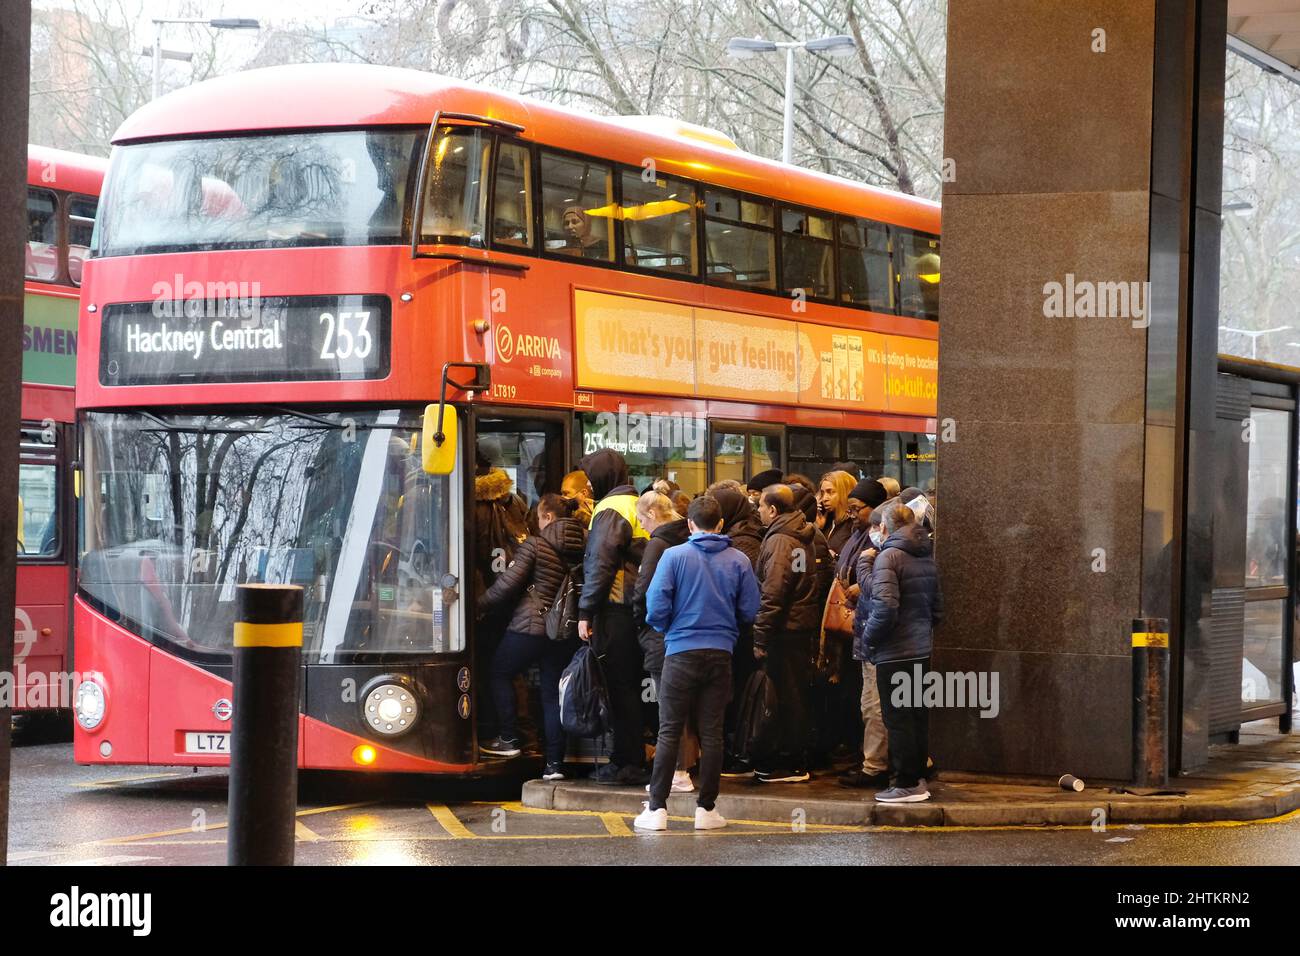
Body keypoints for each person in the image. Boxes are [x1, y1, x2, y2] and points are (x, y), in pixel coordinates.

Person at [634, 495, 760, 831]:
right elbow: (750, 609)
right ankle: (706, 810)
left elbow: (655, 605)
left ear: (689, 524)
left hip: (679, 651)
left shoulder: (673, 556)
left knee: (669, 730)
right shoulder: (739, 560)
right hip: (720, 653)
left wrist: (669, 629)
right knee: (712, 733)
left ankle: (657, 809)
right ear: (720, 525)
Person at [478, 494, 587, 780]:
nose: (536, 522)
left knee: (500, 671)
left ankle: (509, 738)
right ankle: (554, 765)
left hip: (530, 628)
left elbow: (506, 587)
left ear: (548, 517)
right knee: (552, 695)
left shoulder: (536, 545)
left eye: (539, 517)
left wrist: (476, 606)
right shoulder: (583, 545)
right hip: (563, 632)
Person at [576, 448, 651, 785]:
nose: (589, 486)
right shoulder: (636, 503)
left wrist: (586, 611)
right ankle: (631, 757)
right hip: (639, 607)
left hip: (616, 608)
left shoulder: (609, 509)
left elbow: (600, 564)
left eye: (592, 479)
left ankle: (626, 762)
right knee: (632, 687)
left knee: (619, 688)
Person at [860, 502, 943, 803]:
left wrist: (869, 640)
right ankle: (917, 776)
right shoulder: (926, 557)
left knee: (897, 719)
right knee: (917, 716)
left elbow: (885, 607)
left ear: (885, 528)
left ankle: (907, 783)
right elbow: (937, 610)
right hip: (921, 649)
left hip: (894, 651)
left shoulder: (888, 558)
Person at [751, 484, 824, 783]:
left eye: (760, 506)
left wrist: (760, 635)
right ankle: (793, 758)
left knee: (785, 697)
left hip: (785, 629)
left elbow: (774, 592)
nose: (757, 511)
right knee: (793, 695)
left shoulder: (781, 539)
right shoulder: (800, 532)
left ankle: (790, 762)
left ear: (773, 510)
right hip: (797, 626)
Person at [633, 491, 694, 794]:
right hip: (687, 632)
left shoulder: (658, 544)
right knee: (687, 707)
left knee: (668, 709)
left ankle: (677, 773)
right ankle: (685, 769)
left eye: (641, 519)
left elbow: (645, 590)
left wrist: (639, 618)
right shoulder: (688, 537)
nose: (641, 526)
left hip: (661, 634)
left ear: (653, 514)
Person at [841, 499, 893, 789]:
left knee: (875, 707)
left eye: (877, 525)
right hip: (875, 643)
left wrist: (863, 565)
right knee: (874, 705)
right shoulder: (895, 554)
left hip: (878, 644)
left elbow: (882, 601)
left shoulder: (888, 557)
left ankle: (875, 766)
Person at [815, 469, 858, 557]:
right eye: (822, 493)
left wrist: (835, 556)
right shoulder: (826, 521)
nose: (824, 498)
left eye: (830, 492)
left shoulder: (855, 524)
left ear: (845, 492)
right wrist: (817, 528)